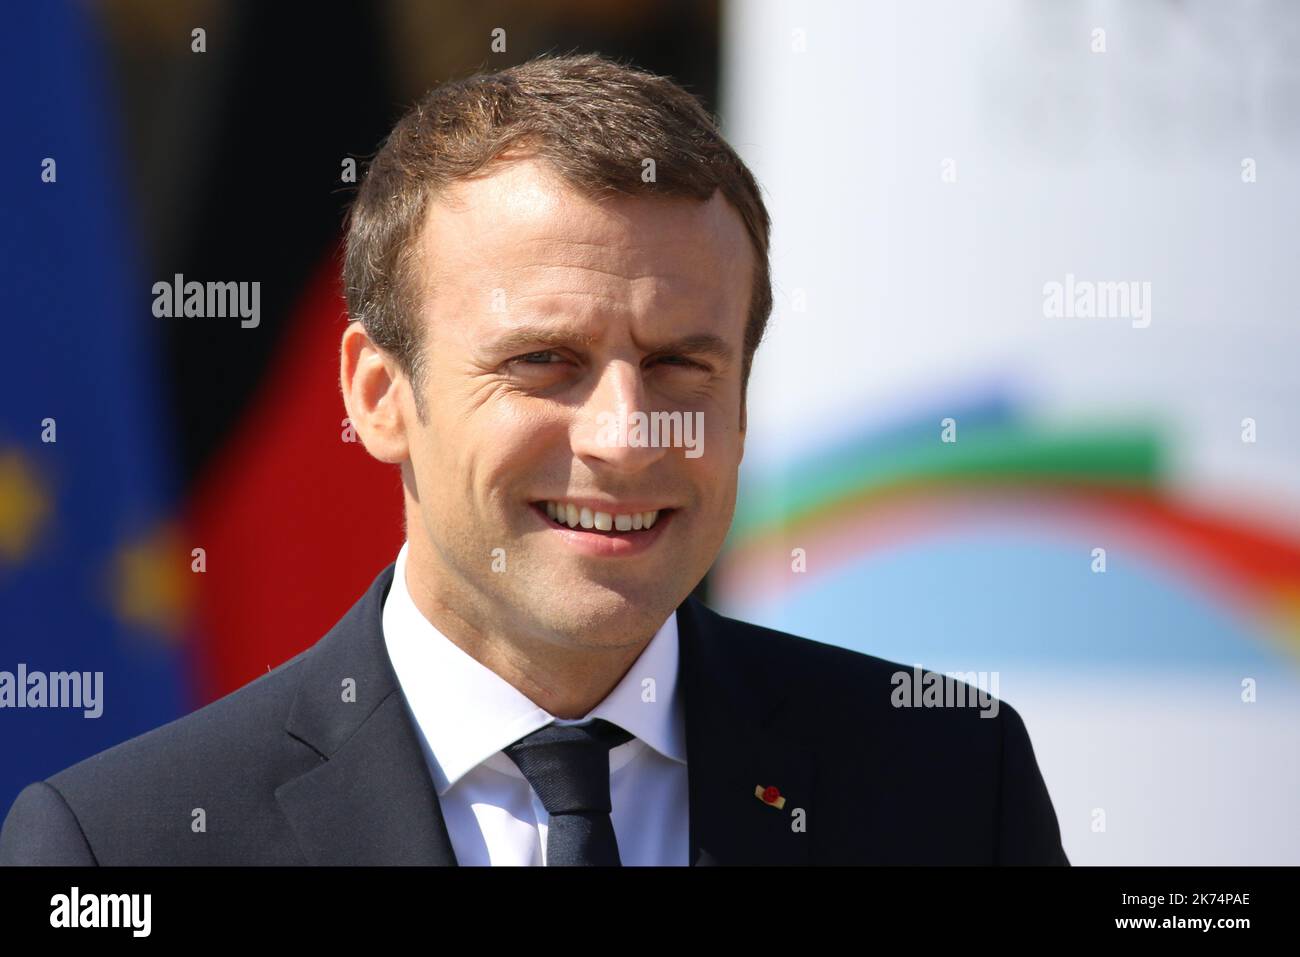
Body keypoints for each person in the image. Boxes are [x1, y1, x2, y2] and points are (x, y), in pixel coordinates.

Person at [0, 52, 1067, 866]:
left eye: (680, 365)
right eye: (544, 361)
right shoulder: (126, 846)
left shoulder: (948, 784)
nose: (621, 431)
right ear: (378, 397)